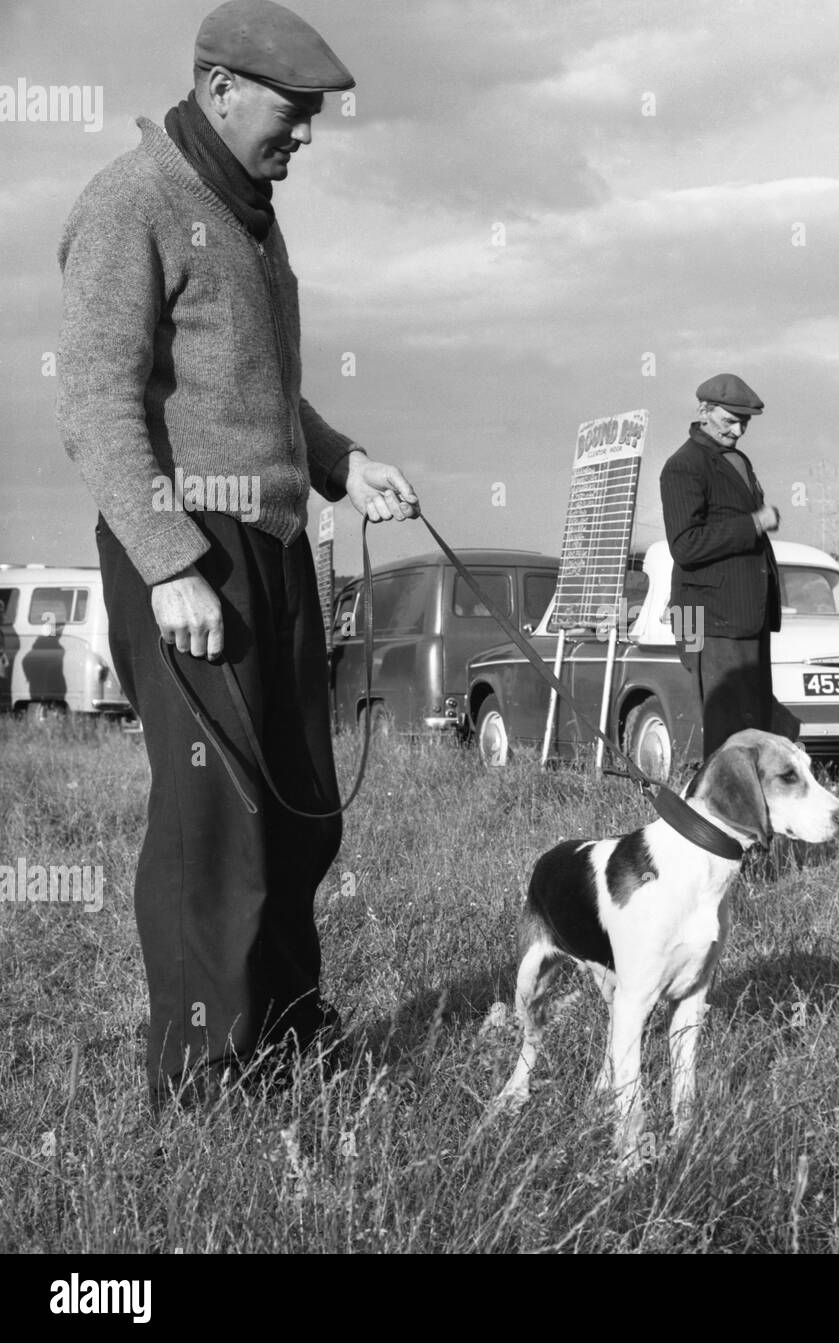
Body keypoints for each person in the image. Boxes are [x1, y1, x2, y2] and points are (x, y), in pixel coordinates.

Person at [57, 0, 420, 1109]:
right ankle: (204, 1078)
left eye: (313, 117)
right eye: (293, 112)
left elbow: (256, 389)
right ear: (222, 90)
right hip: (186, 547)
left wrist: (340, 464)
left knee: (304, 805)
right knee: (218, 819)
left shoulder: (251, 213)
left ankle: (285, 1032)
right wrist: (169, 565)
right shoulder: (133, 202)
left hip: (272, 542)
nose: (305, 134)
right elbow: (98, 405)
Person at [659, 374, 794, 759]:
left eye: (745, 422)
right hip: (711, 618)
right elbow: (685, 546)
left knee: (753, 729)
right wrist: (752, 524)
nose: (738, 430)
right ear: (703, 411)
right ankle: (717, 812)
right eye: (730, 420)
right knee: (727, 735)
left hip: (745, 617)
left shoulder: (735, 459)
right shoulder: (682, 466)